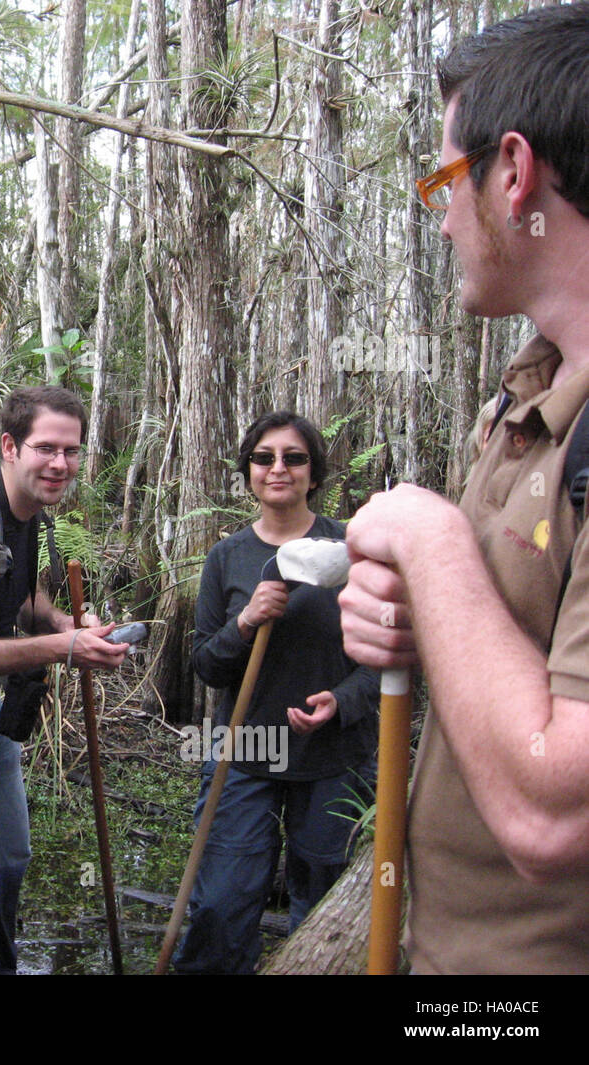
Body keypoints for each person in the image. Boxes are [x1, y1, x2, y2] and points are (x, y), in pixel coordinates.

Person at [338, 4, 589, 974]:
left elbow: (551, 813)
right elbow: (514, 647)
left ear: (514, 172)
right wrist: (418, 618)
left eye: (446, 180)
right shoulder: (527, 398)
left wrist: (430, 541)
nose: (441, 217)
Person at [0, 386, 129, 975]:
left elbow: (16, 595)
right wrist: (61, 647)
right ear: (10, 446)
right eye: (46, 448)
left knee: (9, 861)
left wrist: (67, 620)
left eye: (71, 451)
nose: (60, 464)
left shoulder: (30, 512)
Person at [177, 411, 377, 974]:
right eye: (264, 458)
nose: (278, 468)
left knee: (325, 902)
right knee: (220, 901)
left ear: (313, 473)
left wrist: (342, 701)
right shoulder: (228, 558)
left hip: (334, 754)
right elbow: (205, 666)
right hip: (249, 748)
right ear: (248, 473)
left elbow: (388, 660)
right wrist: (243, 624)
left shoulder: (350, 549)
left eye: (294, 458)